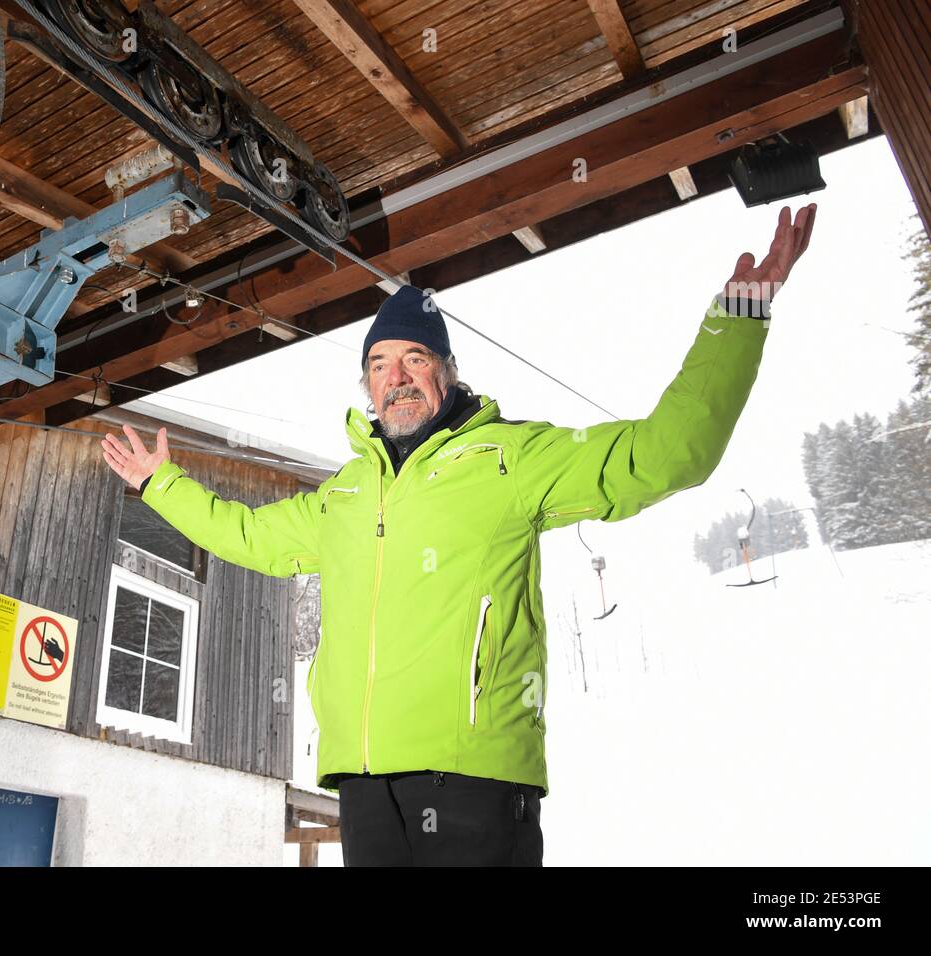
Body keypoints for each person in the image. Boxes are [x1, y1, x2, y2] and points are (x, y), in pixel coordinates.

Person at [101, 204, 817, 866]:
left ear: (446, 371)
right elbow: (249, 536)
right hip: (363, 782)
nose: (398, 377)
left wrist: (741, 315)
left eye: (415, 358)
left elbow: (664, 454)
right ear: (367, 388)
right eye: (380, 365)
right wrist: (161, 484)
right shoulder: (345, 495)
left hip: (472, 778)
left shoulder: (509, 459)